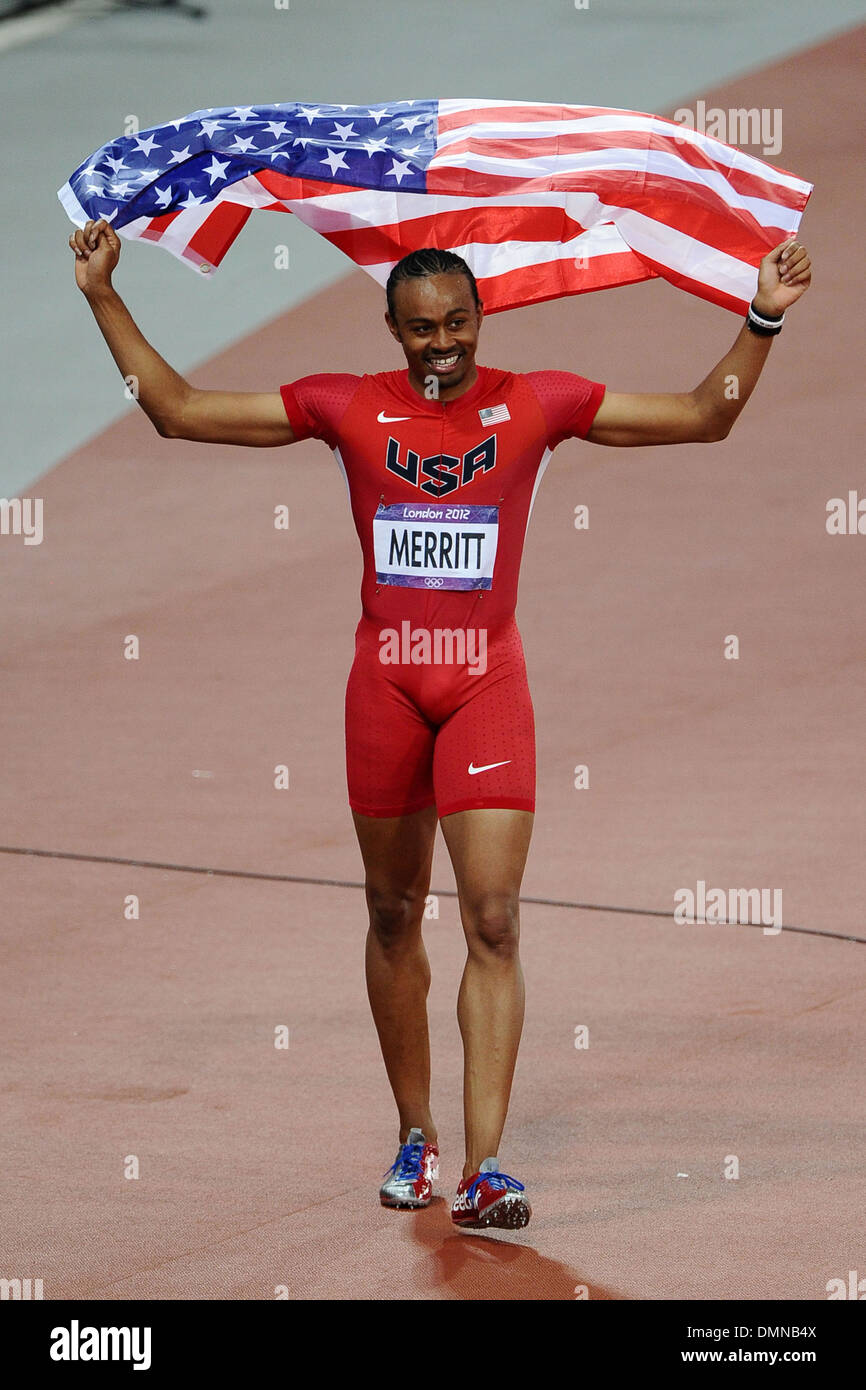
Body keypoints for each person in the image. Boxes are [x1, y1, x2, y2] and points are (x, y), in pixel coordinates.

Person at [69, 221, 811, 1230]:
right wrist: (103, 293)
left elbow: (698, 416)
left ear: (479, 317)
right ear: (393, 329)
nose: (440, 344)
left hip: (482, 688)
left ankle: (487, 1164)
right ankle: (413, 1134)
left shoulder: (535, 401)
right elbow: (175, 409)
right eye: (420, 329)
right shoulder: (344, 406)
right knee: (388, 913)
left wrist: (760, 313)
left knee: (493, 919)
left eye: (456, 322)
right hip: (383, 688)